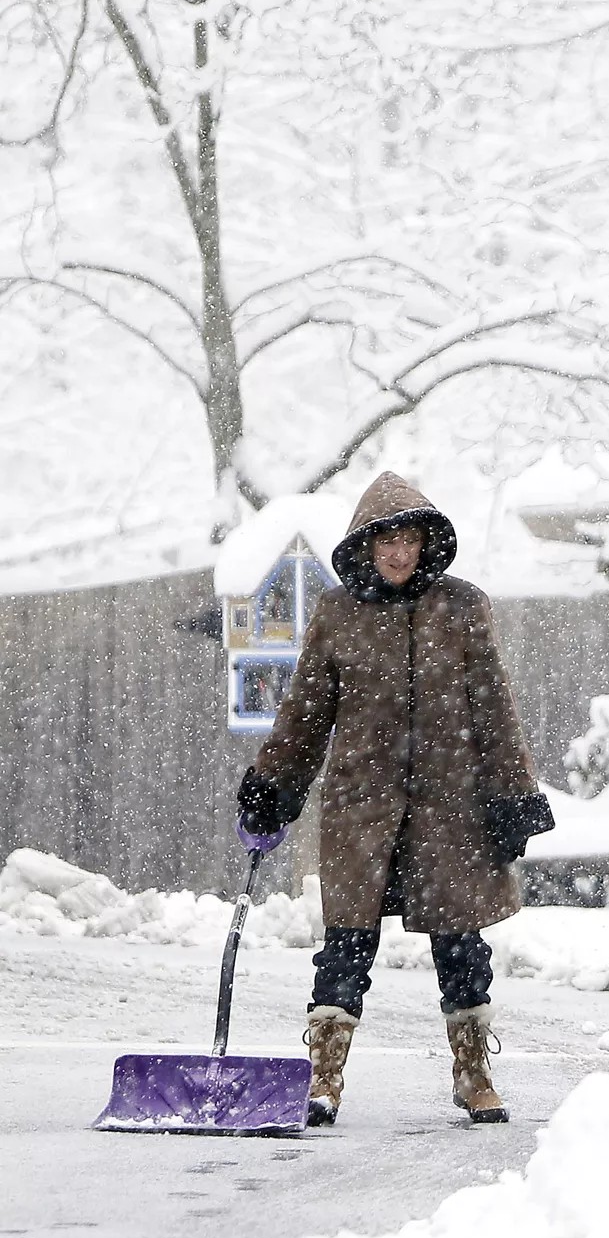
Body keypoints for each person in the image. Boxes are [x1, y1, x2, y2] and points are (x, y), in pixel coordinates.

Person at [235, 473, 555, 1127]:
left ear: (426, 541)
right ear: (366, 545)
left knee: (461, 945)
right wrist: (274, 783)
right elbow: (305, 713)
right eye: (388, 539)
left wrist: (511, 794)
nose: (400, 552)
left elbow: (494, 708)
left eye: (410, 538)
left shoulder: (463, 606)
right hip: (362, 808)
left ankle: (474, 1075)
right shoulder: (337, 614)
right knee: (347, 945)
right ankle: (324, 1078)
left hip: (450, 811)